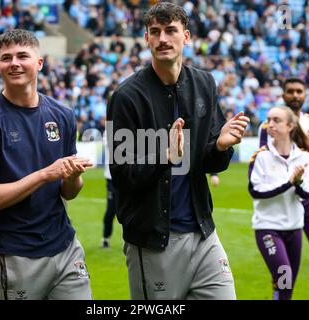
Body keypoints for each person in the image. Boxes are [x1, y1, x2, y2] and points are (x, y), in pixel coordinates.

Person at [107, 2, 250, 300]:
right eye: (155, 32)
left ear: (186, 36)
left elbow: (210, 160)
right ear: (146, 39)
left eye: (170, 31)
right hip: (154, 241)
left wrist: (222, 146)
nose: (162, 39)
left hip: (203, 234)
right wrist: (164, 155)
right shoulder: (126, 97)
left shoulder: (204, 83)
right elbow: (121, 175)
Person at [0, 29, 93, 300]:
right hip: (15, 254)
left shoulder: (63, 114)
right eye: (6, 57)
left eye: (23, 55)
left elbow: (69, 191)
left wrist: (71, 176)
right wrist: (45, 174)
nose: (14, 63)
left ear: (39, 63)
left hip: (66, 247)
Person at [258, 77, 309, 300]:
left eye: (299, 91)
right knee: (285, 264)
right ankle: (281, 297)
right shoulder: (269, 125)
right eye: (290, 91)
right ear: (283, 95)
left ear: (305, 95)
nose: (295, 95)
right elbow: (265, 158)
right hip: (283, 200)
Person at [250, 106, 309, 300]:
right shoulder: (260, 156)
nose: (270, 124)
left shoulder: (304, 157)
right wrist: (288, 182)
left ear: (290, 126)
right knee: (284, 277)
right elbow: (256, 191)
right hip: (268, 228)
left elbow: (308, 192)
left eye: (276, 120)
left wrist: (298, 182)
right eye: (269, 120)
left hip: (294, 228)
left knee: (286, 286)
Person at [102, 129, 117, 248]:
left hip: (127, 176)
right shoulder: (108, 130)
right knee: (111, 211)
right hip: (111, 178)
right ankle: (106, 237)